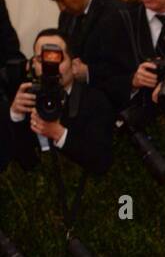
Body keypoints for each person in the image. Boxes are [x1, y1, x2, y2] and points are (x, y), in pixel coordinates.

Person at [7, 29, 113, 175]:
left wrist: (59, 134)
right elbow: (20, 163)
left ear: (74, 65)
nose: (49, 66)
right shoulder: (25, 98)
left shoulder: (95, 101)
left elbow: (101, 161)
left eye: (57, 59)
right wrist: (15, 116)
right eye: (41, 59)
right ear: (32, 65)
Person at [30, 0, 118, 89]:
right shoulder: (67, 15)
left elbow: (125, 70)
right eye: (55, 1)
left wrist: (89, 72)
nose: (61, 8)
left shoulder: (117, 13)